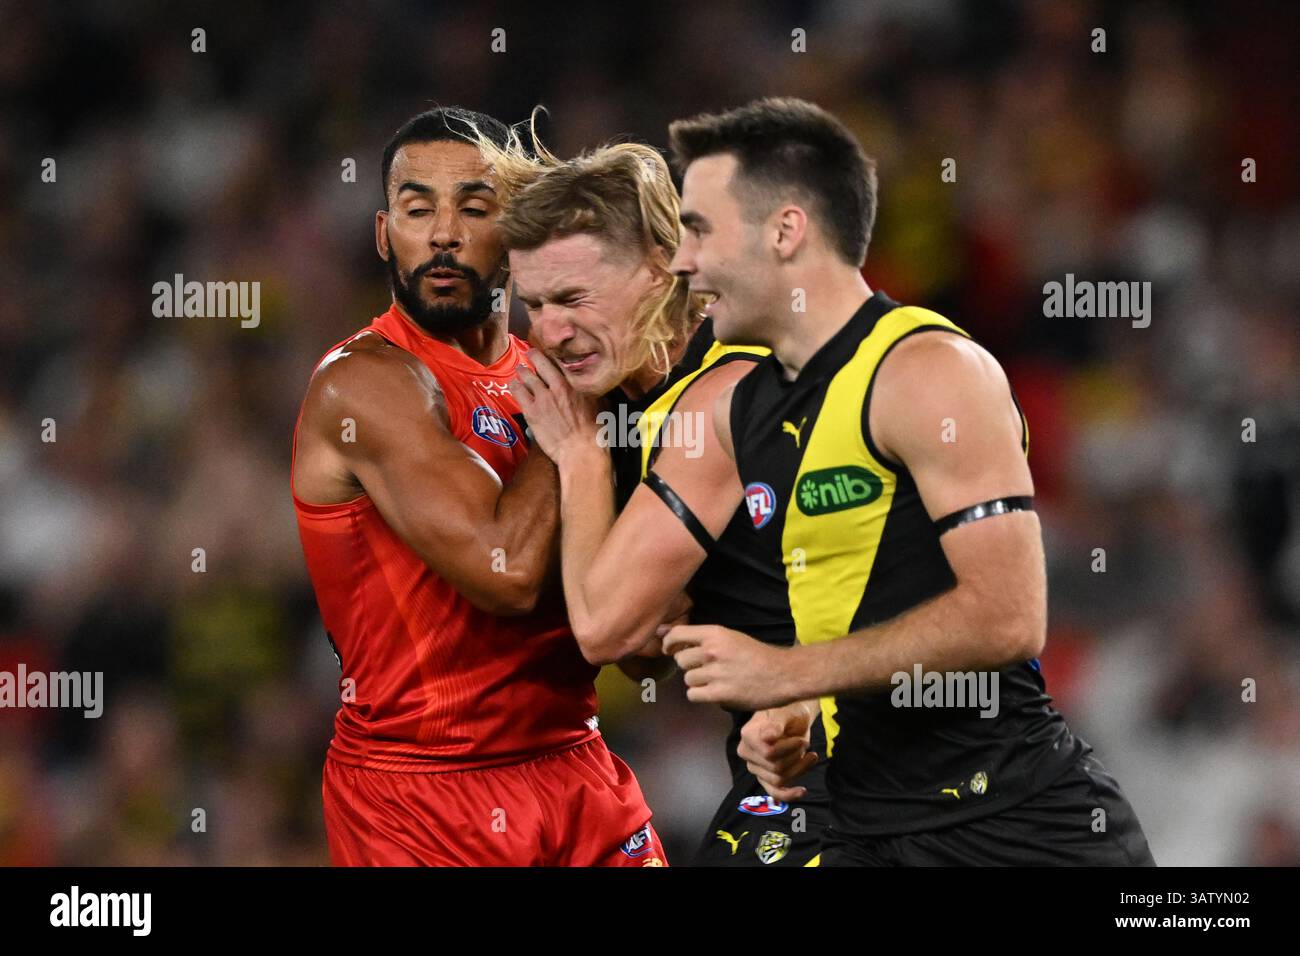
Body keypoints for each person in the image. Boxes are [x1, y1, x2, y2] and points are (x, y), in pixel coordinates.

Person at [643, 96, 1153, 866]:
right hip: (857, 822)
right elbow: (860, 603)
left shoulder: (927, 372)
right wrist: (799, 709)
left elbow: (1009, 617)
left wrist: (788, 672)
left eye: (700, 229)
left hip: (1012, 827)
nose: (683, 261)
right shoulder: (752, 408)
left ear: (785, 231)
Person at [289, 107, 664, 867]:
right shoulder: (363, 385)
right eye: (417, 209)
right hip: (423, 801)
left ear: (517, 232)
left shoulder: (555, 375)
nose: (444, 234)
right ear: (383, 234)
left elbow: (636, 651)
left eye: (475, 208)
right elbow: (509, 572)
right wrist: (590, 380)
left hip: (577, 766)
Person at [475, 124, 832, 865]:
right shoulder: (629, 404)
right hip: (781, 762)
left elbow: (604, 631)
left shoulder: (741, 376)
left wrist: (576, 459)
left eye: (572, 297)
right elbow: (639, 654)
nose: (550, 331)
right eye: (533, 305)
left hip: (858, 746)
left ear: (659, 266)